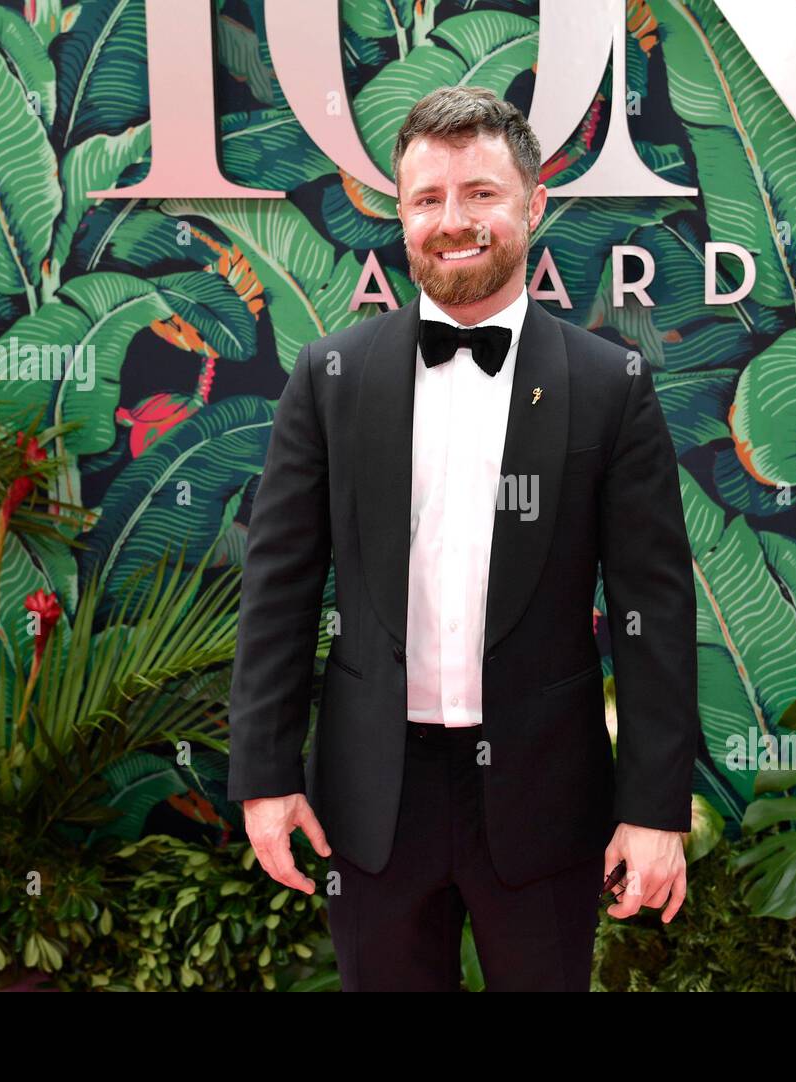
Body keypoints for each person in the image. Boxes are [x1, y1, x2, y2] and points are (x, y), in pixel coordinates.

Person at [227, 85, 697, 991]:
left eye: (480, 193)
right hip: (370, 802)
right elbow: (278, 590)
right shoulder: (331, 377)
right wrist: (264, 776)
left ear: (532, 205)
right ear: (401, 215)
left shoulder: (610, 386)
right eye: (428, 199)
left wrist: (653, 811)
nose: (454, 222)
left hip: (545, 801)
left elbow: (655, 612)